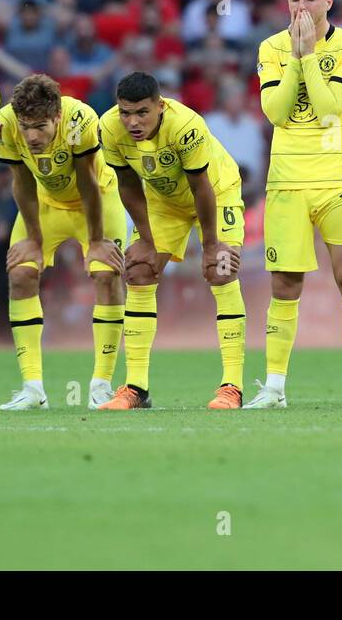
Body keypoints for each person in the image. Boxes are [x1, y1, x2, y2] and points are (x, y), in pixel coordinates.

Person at [247, 0, 342, 409]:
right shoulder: (269, 48)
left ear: (328, 3)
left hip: (336, 180)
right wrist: (297, 57)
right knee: (284, 284)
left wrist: (305, 58)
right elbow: (277, 113)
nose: (300, 7)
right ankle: (275, 388)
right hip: (286, 182)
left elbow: (327, 110)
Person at [99, 71, 246, 409]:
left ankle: (232, 387)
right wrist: (147, 240)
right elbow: (128, 185)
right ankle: (136, 388)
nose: (132, 121)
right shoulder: (109, 128)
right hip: (164, 202)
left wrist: (211, 247)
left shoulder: (186, 126)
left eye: (141, 112)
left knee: (222, 269)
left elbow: (201, 187)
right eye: (125, 112)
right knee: (138, 269)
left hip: (216, 193)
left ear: (160, 106)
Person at [0, 74, 125, 410]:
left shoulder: (80, 118)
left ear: (56, 116)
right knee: (20, 273)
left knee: (106, 275)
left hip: (96, 202)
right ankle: (32, 388)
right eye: (26, 126)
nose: (32, 136)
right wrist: (34, 240)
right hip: (45, 203)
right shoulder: (5, 122)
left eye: (40, 126)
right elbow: (20, 181)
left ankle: (101, 384)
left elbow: (88, 182)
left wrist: (96, 241)